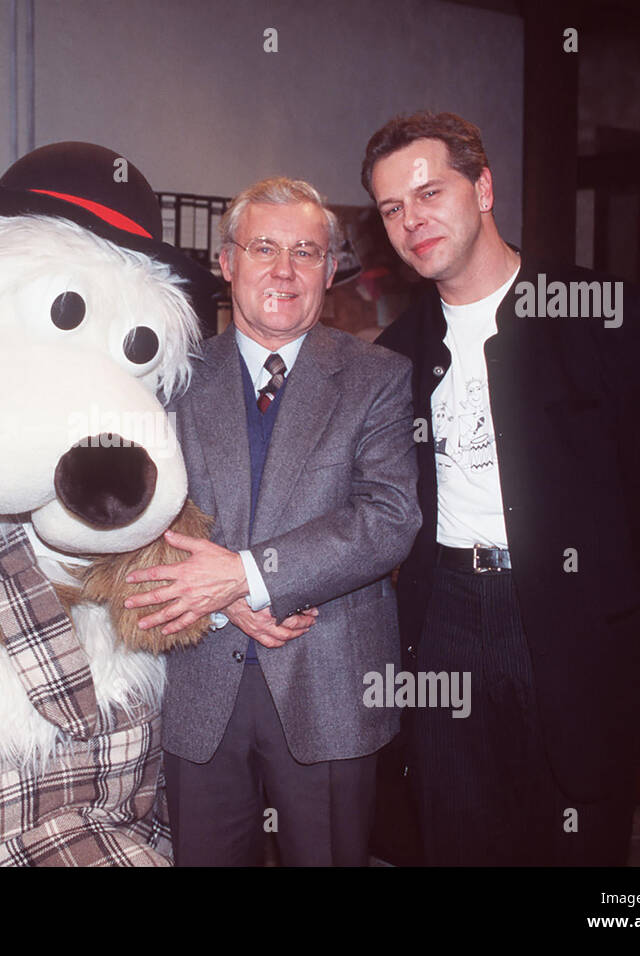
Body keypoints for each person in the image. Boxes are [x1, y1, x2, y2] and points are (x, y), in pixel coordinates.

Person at [367, 111, 640, 865]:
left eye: (429, 192)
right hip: (442, 617)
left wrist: (593, 586)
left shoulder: (605, 315)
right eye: (391, 209)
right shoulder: (394, 355)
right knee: (455, 834)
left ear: (482, 187)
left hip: (571, 618)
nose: (412, 220)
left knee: (578, 837)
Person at [124, 177, 421, 866]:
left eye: (306, 251)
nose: (285, 270)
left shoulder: (378, 378)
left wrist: (250, 576)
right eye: (264, 247)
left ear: (331, 269)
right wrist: (231, 598)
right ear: (227, 263)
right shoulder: (171, 377)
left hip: (331, 688)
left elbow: (387, 517)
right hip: (199, 684)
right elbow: (137, 520)